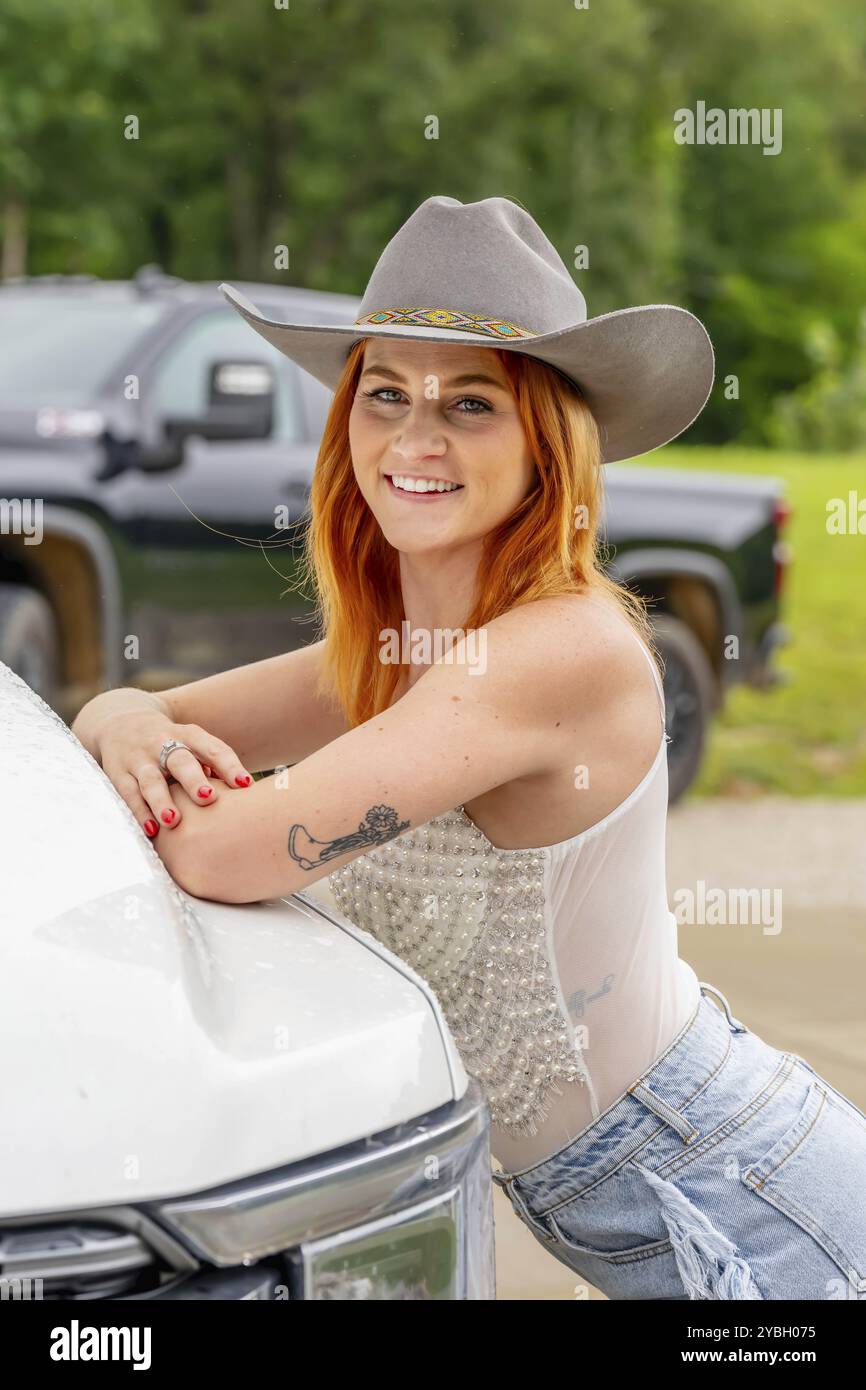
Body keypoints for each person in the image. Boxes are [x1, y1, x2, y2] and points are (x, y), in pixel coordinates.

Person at [72, 195, 866, 1300]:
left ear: (547, 444)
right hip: (638, 1204)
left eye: (470, 404)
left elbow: (223, 850)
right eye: (385, 393)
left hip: (744, 1200)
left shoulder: (552, 652)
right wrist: (118, 719)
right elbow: (138, 708)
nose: (415, 437)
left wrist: (144, 747)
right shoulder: (409, 652)